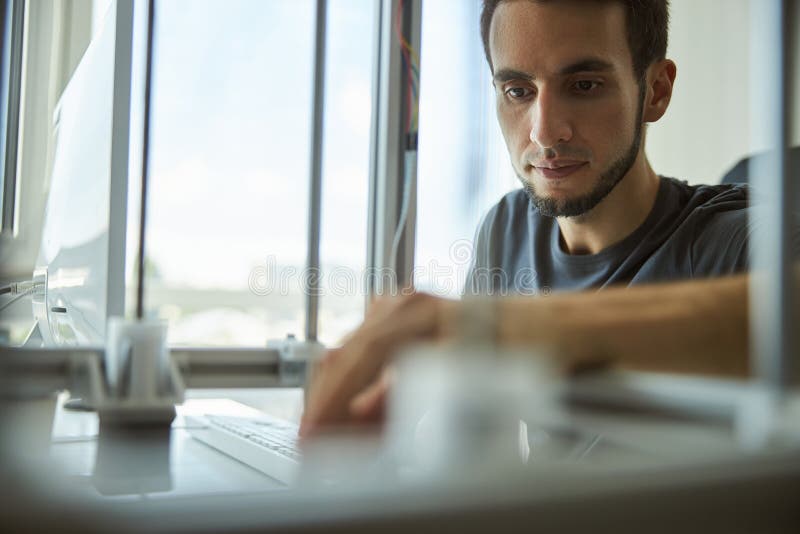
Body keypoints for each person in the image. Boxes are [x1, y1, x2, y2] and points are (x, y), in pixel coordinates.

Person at [297, 0, 782, 437]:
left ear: (655, 90)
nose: (545, 131)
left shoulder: (736, 240)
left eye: (584, 85)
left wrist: (493, 328)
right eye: (518, 90)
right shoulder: (508, 226)